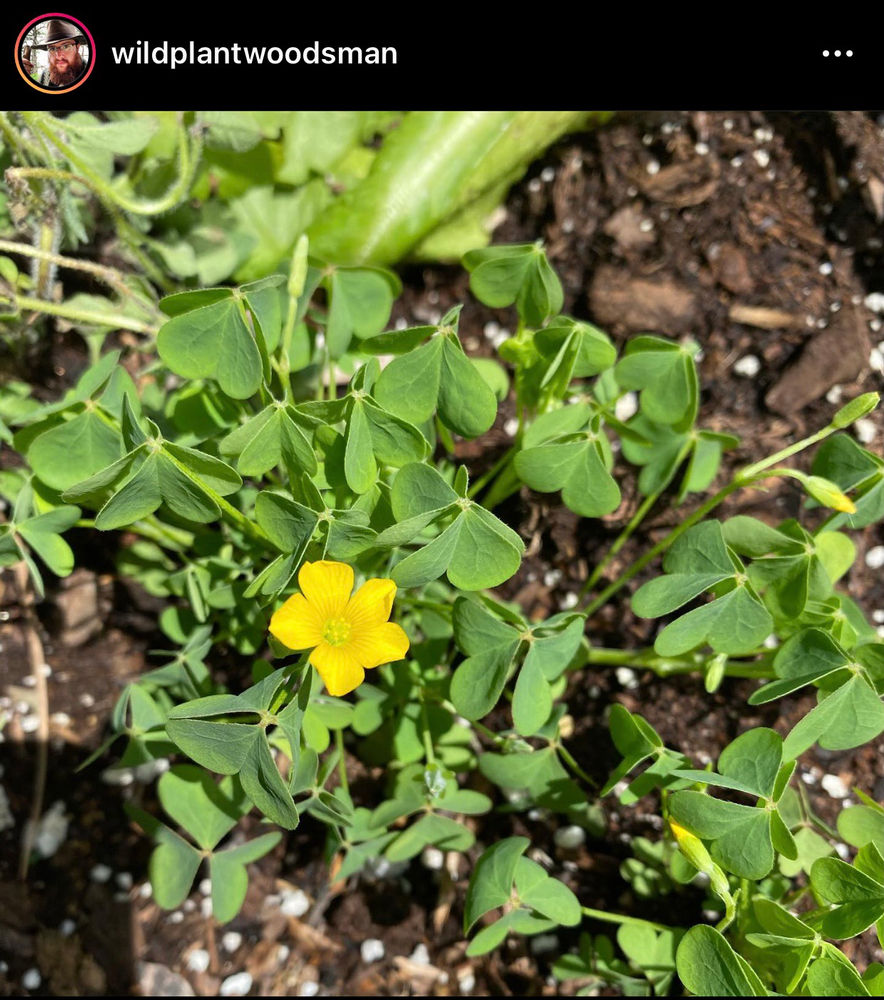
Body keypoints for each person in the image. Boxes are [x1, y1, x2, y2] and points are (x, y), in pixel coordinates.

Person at [24, 20, 88, 89]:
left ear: (77, 47)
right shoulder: (45, 77)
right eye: (52, 49)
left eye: (65, 46)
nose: (58, 56)